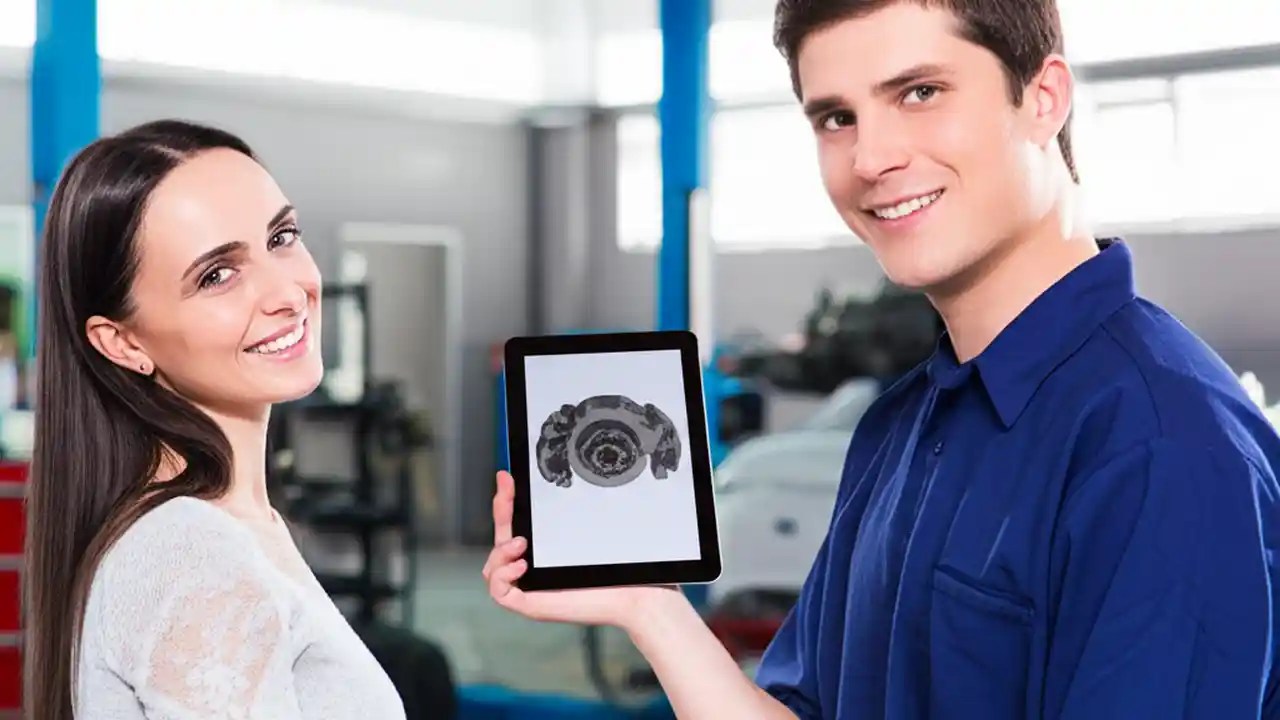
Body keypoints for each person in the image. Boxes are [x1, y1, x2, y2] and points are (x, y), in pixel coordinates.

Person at [484, 1, 1280, 718]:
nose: (870, 157)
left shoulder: (1162, 448)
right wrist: (649, 607)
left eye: (920, 92)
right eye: (837, 117)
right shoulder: (901, 426)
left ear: (1043, 98)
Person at [22, 120, 406, 720]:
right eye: (217, 275)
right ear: (123, 342)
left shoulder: (224, 527)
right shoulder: (192, 558)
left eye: (281, 236)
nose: (288, 293)